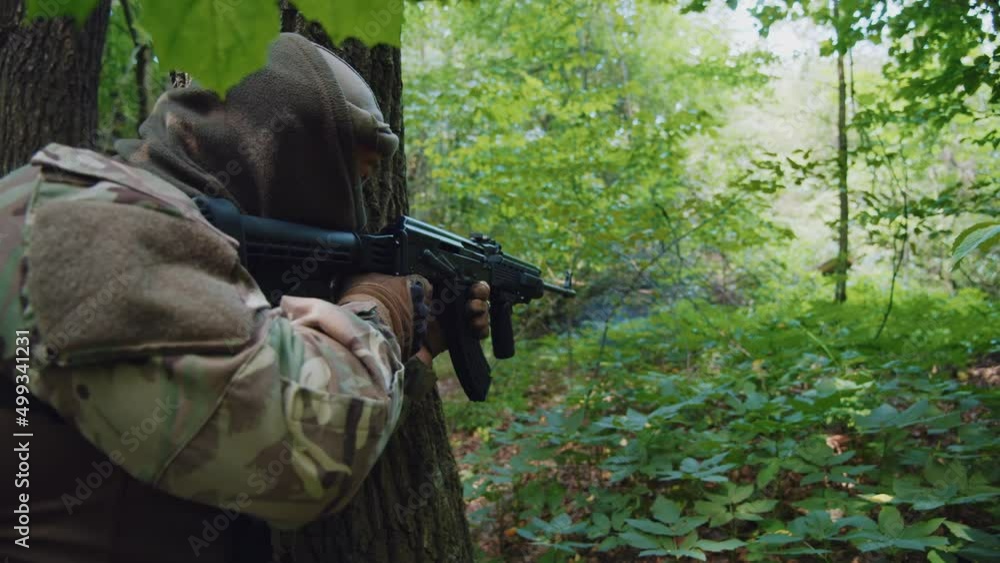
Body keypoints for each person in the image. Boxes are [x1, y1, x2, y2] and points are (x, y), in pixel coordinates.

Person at [0, 32, 489, 563]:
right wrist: (381, 310)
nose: (361, 208)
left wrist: (419, 345)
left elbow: (222, 396)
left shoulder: (122, 220)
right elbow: (307, 455)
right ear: (293, 154)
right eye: (356, 178)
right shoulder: (91, 225)